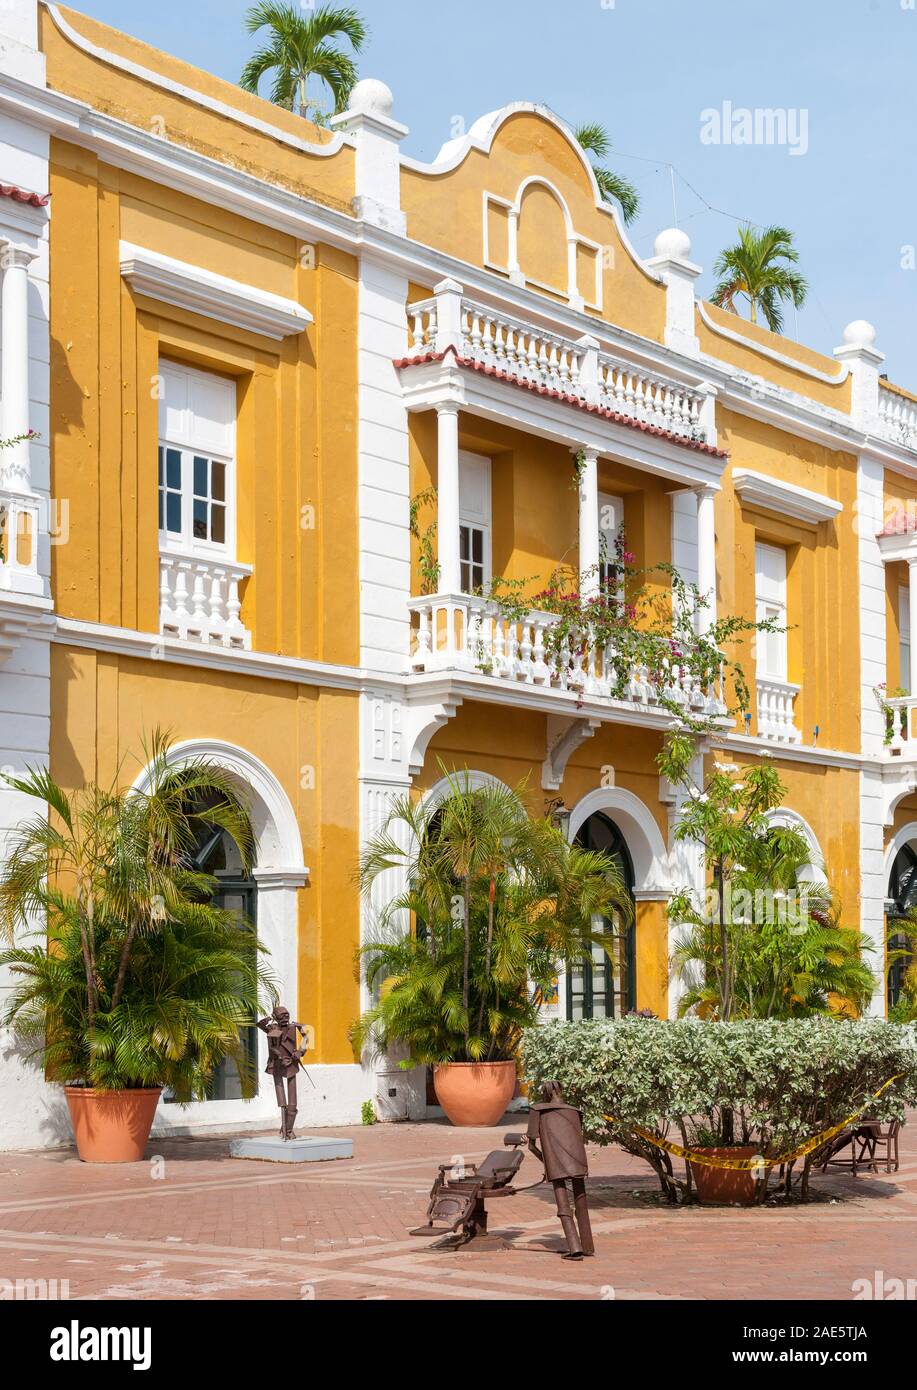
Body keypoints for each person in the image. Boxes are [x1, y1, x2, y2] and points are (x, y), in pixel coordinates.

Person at [526, 1080, 594, 1259]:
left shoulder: (538, 1110)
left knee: (563, 1204)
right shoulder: (575, 1111)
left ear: (546, 1093)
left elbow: (531, 1145)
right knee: (581, 1201)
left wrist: (545, 1160)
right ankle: (587, 1246)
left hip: (555, 1161)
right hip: (578, 1159)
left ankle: (575, 1248)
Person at [256, 1005, 309, 1140]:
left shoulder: (294, 1027)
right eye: (281, 1016)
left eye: (287, 1015)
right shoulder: (273, 1029)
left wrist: (301, 1051)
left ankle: (288, 1129)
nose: (285, 1018)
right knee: (282, 1102)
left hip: (291, 1064)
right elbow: (272, 1047)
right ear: (275, 1017)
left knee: (293, 1103)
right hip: (277, 1065)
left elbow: (307, 1037)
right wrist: (279, 1057)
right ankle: (286, 1130)